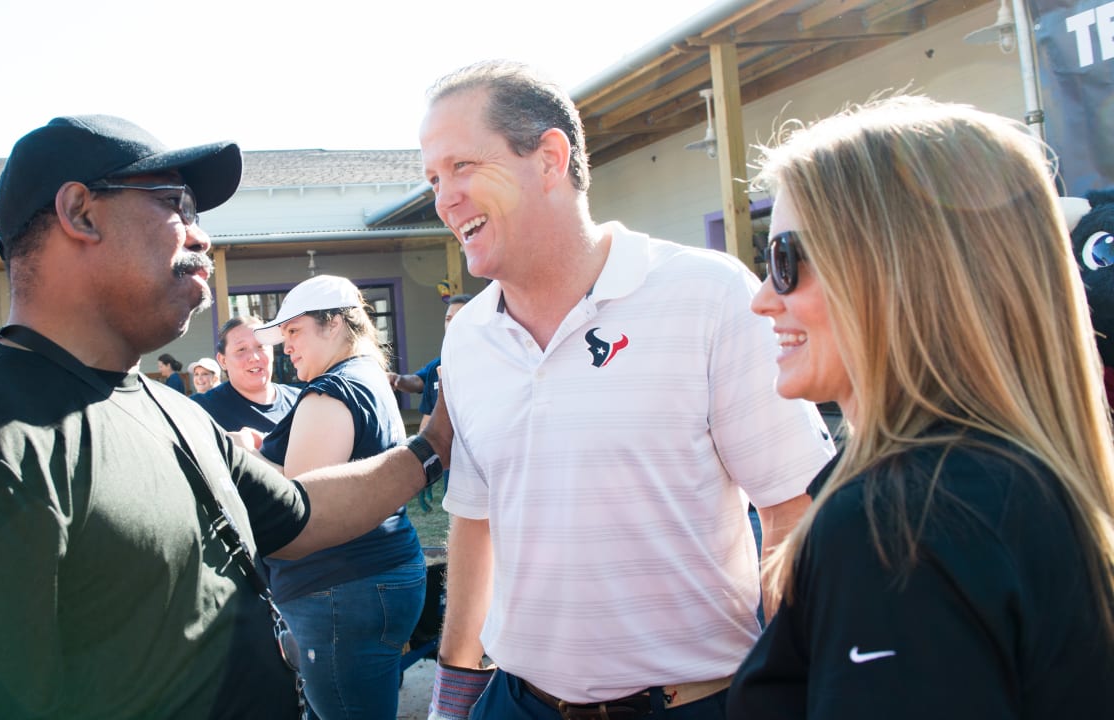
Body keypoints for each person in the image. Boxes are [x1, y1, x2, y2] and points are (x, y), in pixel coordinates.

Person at [0, 114, 453, 720]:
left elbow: (302, 514)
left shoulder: (174, 411)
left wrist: (436, 442)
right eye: (177, 204)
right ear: (81, 214)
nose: (200, 236)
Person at [419, 61, 835, 719]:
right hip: (515, 704)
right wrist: (454, 693)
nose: (444, 198)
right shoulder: (469, 337)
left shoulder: (709, 294)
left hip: (690, 705)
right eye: (434, 179)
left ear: (551, 158)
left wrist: (792, 688)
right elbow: (475, 518)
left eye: (463, 167)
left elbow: (790, 511)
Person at [730, 97, 1114, 718]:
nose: (762, 301)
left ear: (895, 270)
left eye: (783, 262)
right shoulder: (1013, 481)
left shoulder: (899, 525)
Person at [247, 274, 425, 720]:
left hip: (337, 590)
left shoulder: (332, 390)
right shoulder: (367, 377)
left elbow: (302, 505)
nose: (285, 346)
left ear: (334, 324)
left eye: (293, 331)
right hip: (371, 578)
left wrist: (239, 455)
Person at [192, 316, 299, 433]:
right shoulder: (200, 409)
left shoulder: (300, 401)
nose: (254, 357)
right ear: (223, 361)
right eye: (241, 349)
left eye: (261, 346)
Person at [390, 293, 472, 429]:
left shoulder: (488, 363)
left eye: (458, 318)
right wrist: (396, 379)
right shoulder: (438, 365)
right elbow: (418, 381)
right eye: (448, 319)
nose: (451, 324)